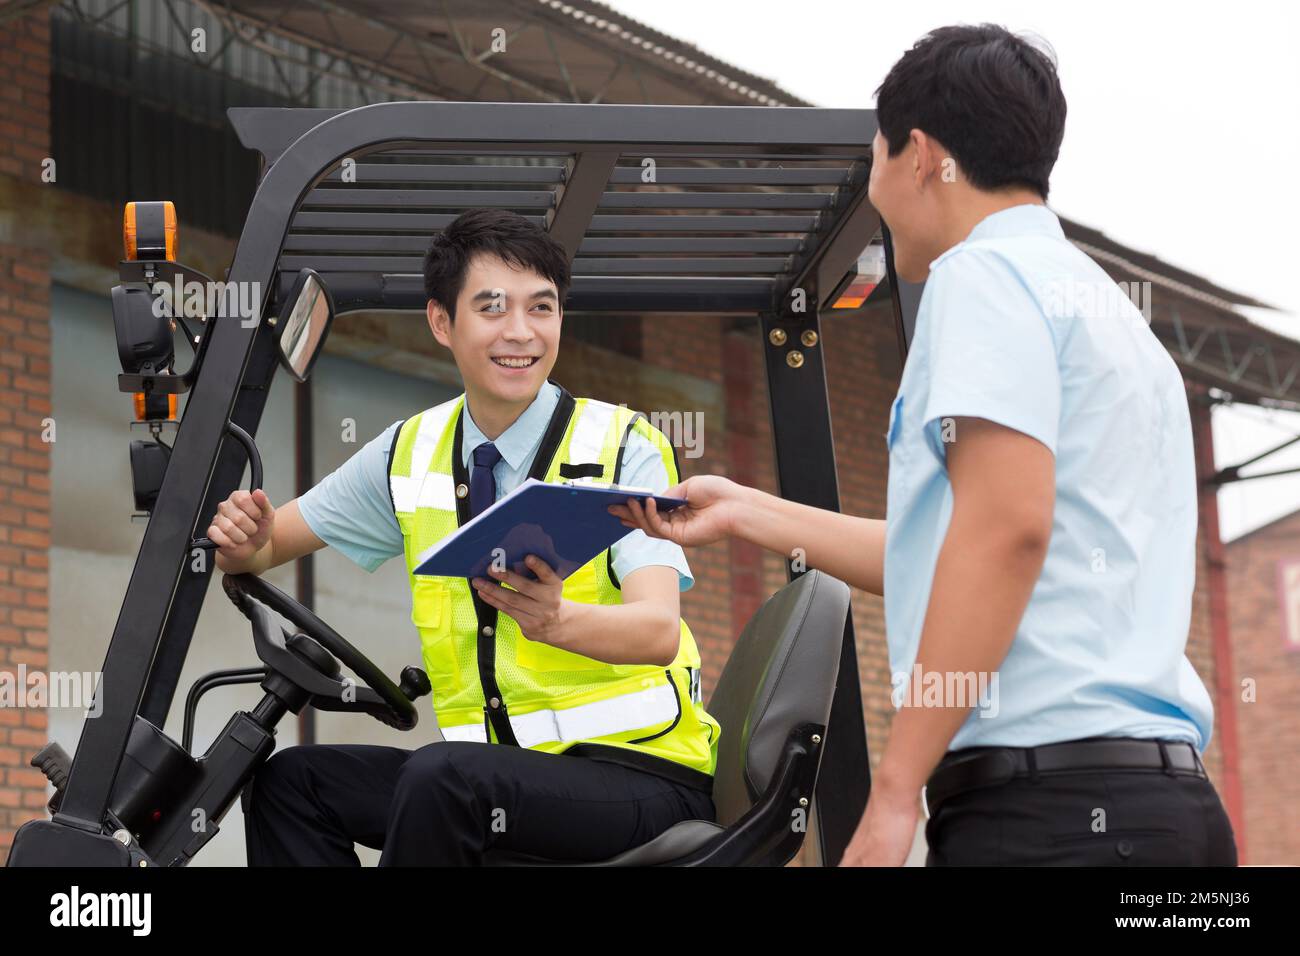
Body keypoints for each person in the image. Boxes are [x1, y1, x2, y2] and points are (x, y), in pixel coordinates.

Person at [613, 24, 1236, 867]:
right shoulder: (1112, 317)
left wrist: (897, 787)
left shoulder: (980, 281)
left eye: (874, 155)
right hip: (1169, 814)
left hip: (1047, 815)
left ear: (919, 155)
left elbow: (1004, 530)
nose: (873, 187)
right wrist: (748, 511)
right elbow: (951, 551)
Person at [208, 209, 720, 865]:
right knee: (293, 783)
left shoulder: (622, 447)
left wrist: (559, 620)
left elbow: (658, 632)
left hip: (641, 779)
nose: (521, 333)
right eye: (493, 309)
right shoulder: (409, 452)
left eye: (542, 308)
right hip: (500, 778)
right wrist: (241, 536)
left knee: (442, 779)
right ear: (442, 322)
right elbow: (270, 543)